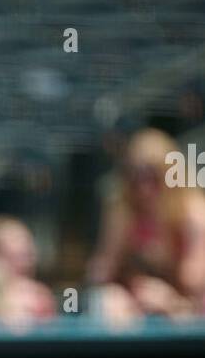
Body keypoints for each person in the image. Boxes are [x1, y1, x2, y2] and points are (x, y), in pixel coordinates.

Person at [87, 128, 205, 320]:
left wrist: (167, 300)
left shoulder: (193, 212)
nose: (144, 188)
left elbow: (193, 281)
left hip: (187, 307)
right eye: (135, 177)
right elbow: (101, 273)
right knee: (108, 302)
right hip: (138, 304)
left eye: (152, 176)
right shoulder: (122, 211)